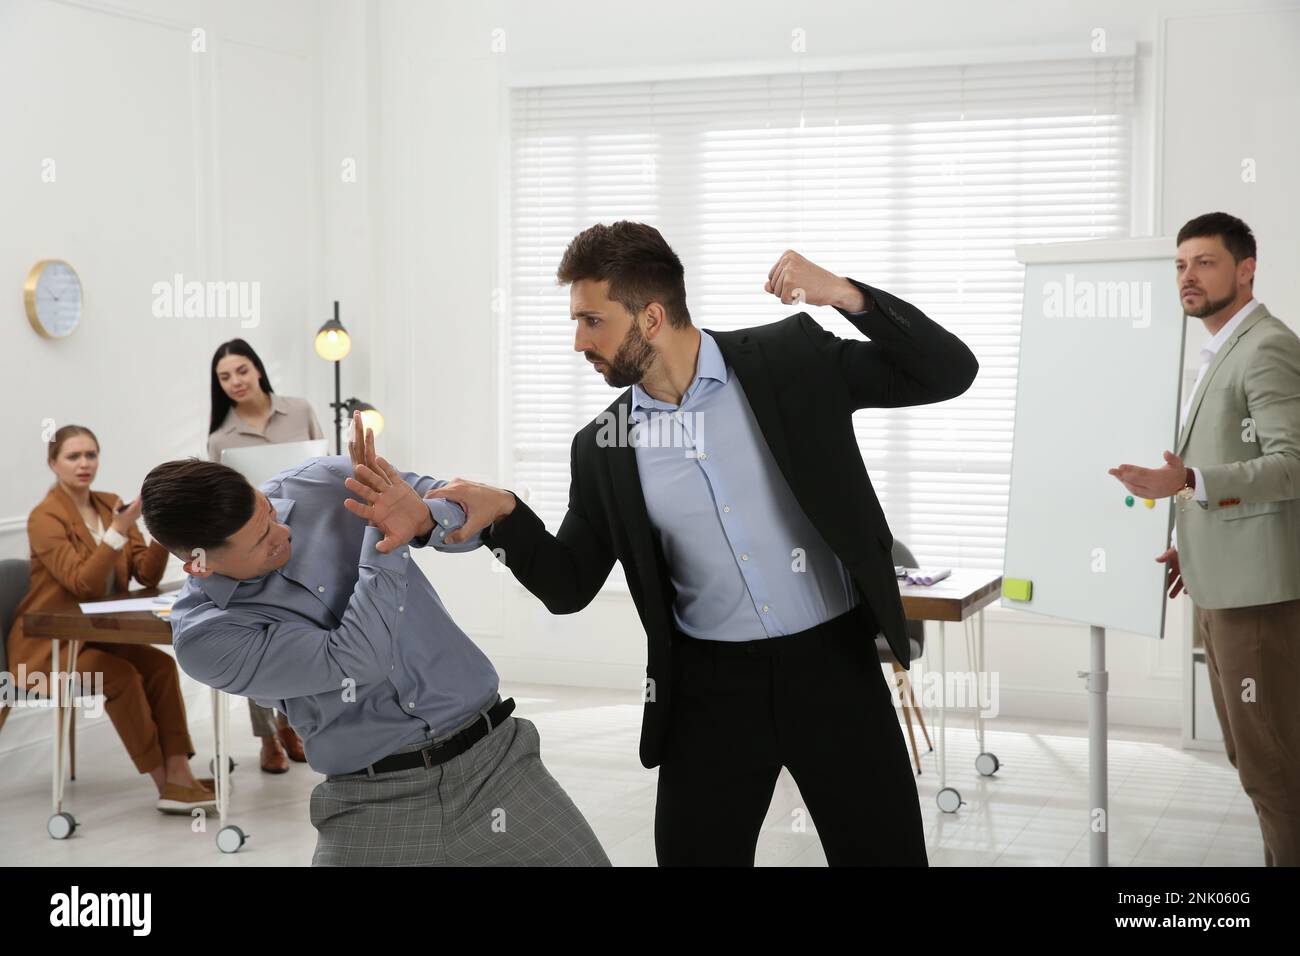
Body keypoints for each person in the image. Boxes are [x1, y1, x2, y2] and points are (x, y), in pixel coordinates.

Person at [423, 222, 979, 865]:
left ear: (651, 317)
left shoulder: (790, 360)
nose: (578, 342)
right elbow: (568, 583)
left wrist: (844, 294)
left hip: (835, 670)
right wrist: (503, 517)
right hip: (709, 693)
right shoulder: (606, 446)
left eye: (591, 321)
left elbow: (949, 371)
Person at [141, 413, 609, 866]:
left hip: (498, 767)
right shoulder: (206, 638)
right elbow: (356, 659)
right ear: (198, 565)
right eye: (262, 539)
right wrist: (386, 536)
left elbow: (469, 515)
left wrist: (424, 517)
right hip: (374, 803)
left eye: (269, 513)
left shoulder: (325, 481)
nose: (283, 531)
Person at [1109, 211, 1300, 866]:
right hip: (1221, 586)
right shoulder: (1222, 349)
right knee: (1252, 757)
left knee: (1272, 766)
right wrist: (1194, 539)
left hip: (1259, 602)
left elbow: (1292, 465)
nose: (1188, 277)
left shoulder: (1267, 346)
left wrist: (1186, 479)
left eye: (1206, 263)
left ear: (1246, 270)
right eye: (1181, 265)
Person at [5, 425, 216, 814]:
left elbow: (146, 575)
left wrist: (158, 527)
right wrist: (118, 531)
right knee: (119, 677)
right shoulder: (44, 518)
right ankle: (164, 784)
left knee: (161, 665)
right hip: (46, 648)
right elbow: (82, 584)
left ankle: (179, 772)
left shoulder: (109, 504)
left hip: (93, 636)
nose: (84, 463)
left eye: (91, 454)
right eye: (73, 456)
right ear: (53, 463)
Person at [206, 338, 324, 772]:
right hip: (254, 546)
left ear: (257, 369)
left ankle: (294, 724)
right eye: (224, 377)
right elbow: (222, 502)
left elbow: (325, 466)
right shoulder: (222, 437)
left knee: (302, 631)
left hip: (308, 534)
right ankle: (268, 737)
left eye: (241, 370)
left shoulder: (299, 410)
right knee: (260, 636)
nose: (235, 381)